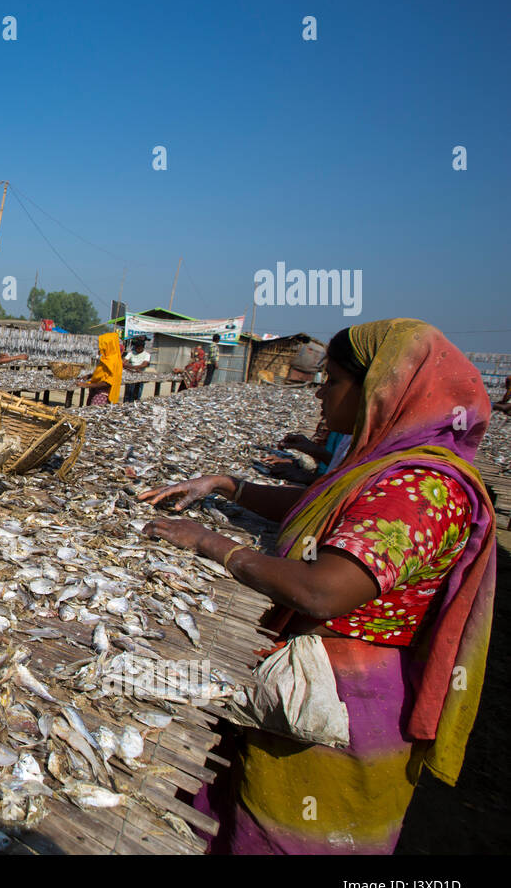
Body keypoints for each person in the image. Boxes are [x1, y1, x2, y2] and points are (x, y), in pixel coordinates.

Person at [138, 319, 494, 855]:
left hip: (341, 709)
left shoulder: (424, 488)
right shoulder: (381, 465)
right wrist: (227, 487)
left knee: (291, 840)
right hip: (310, 686)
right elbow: (324, 513)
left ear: (378, 386)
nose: (320, 391)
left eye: (331, 380)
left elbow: (322, 591)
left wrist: (214, 544)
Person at [73, 331, 123, 404]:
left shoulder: (112, 361)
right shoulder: (107, 358)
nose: (101, 347)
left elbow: (108, 382)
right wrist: (91, 376)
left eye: (103, 345)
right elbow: (103, 374)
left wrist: (87, 385)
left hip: (102, 395)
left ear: (109, 345)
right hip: (96, 391)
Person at [123, 335, 152, 401]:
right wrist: (134, 368)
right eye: (137, 348)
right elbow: (123, 362)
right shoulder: (131, 353)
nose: (138, 350)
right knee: (128, 392)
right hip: (130, 374)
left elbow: (144, 364)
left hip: (140, 375)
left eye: (140, 348)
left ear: (143, 347)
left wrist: (130, 367)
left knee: (137, 392)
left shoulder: (147, 354)